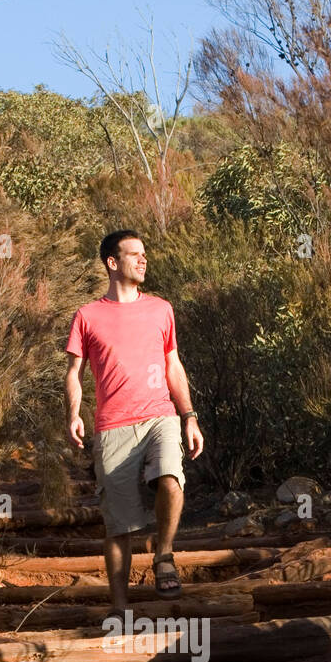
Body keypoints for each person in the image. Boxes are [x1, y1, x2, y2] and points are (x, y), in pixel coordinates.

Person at [65, 229, 204, 610]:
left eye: (145, 254)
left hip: (160, 414)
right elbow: (74, 372)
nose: (143, 260)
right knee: (119, 526)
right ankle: (121, 607)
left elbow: (173, 364)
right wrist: (74, 413)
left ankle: (164, 554)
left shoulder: (161, 309)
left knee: (172, 479)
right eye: (134, 255)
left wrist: (189, 416)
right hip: (112, 425)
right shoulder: (87, 316)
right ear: (112, 262)